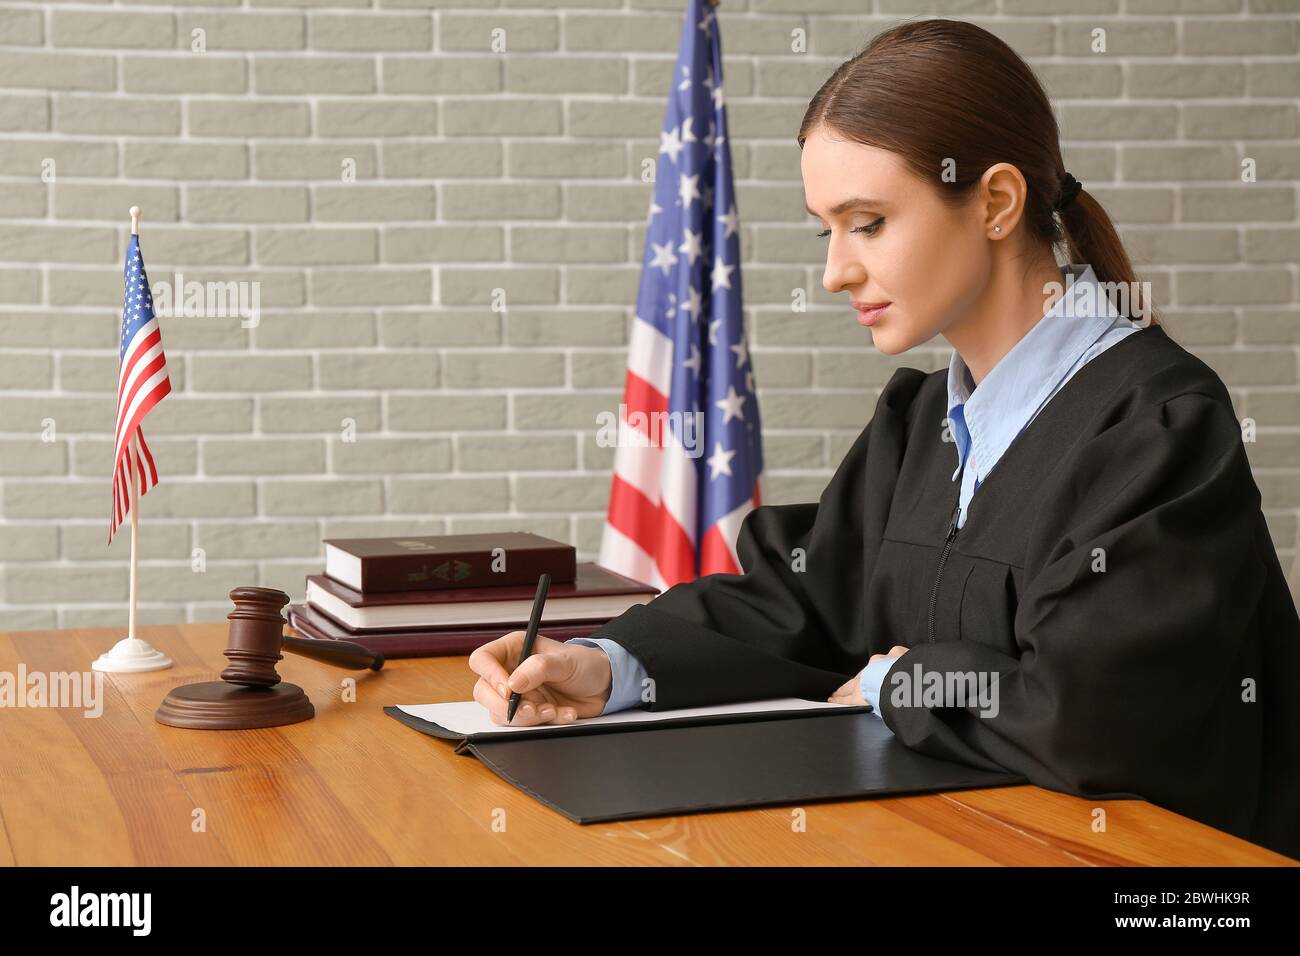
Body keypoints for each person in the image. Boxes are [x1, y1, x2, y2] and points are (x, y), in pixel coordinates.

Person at [467, 19, 1300, 860]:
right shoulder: (921, 425)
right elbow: (803, 602)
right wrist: (607, 665)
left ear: (997, 202)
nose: (835, 271)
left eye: (868, 223)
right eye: (825, 230)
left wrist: (897, 678)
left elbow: (1089, 712)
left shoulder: (1156, 428)